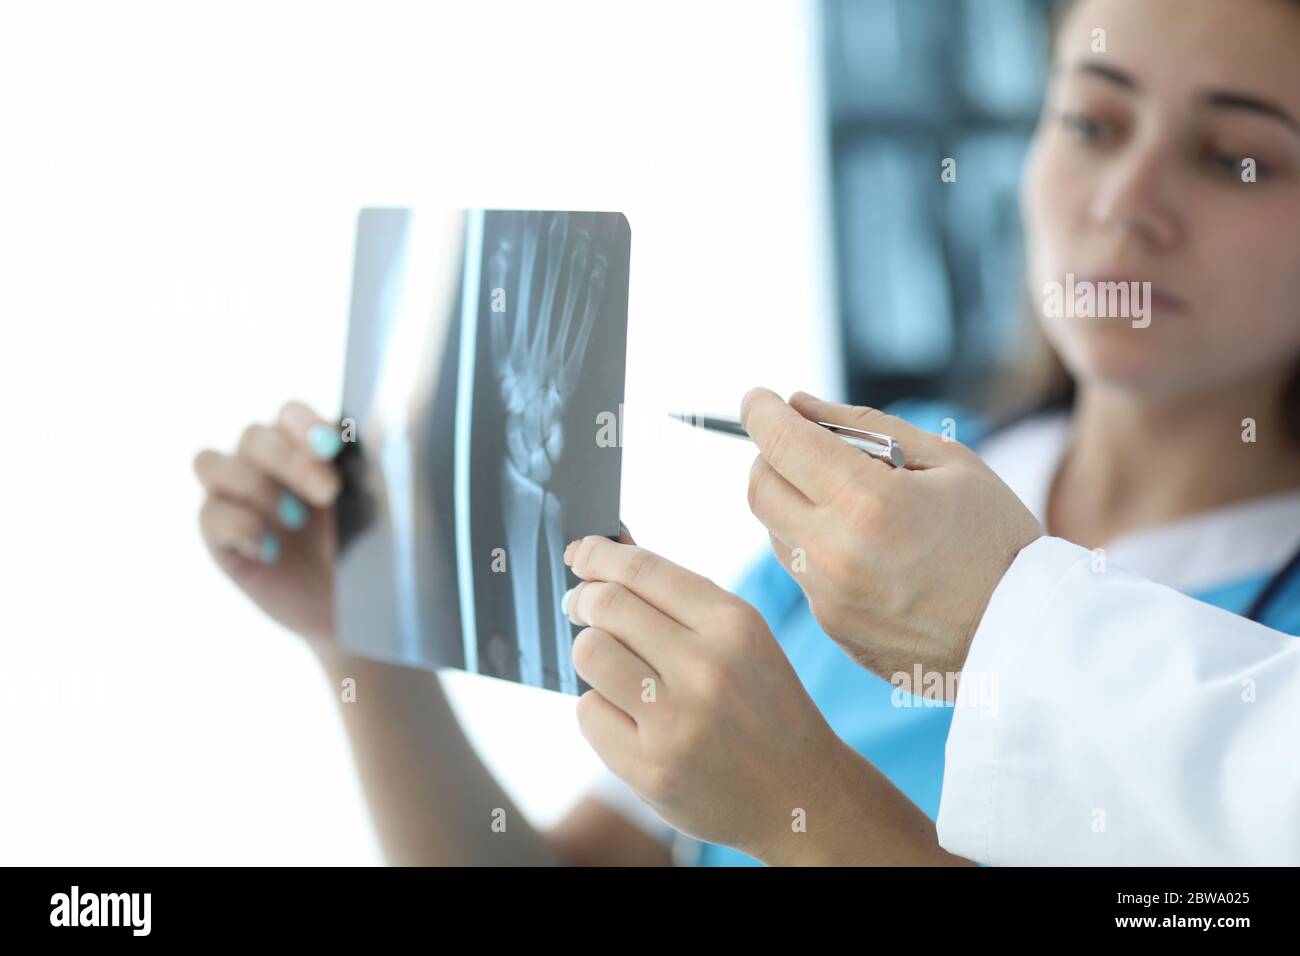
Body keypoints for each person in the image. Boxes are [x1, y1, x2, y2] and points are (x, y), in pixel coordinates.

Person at [194, 0, 1300, 865]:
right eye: (1092, 121)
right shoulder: (886, 483)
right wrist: (359, 647)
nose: (1125, 200)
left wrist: (796, 801)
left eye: (1234, 158)